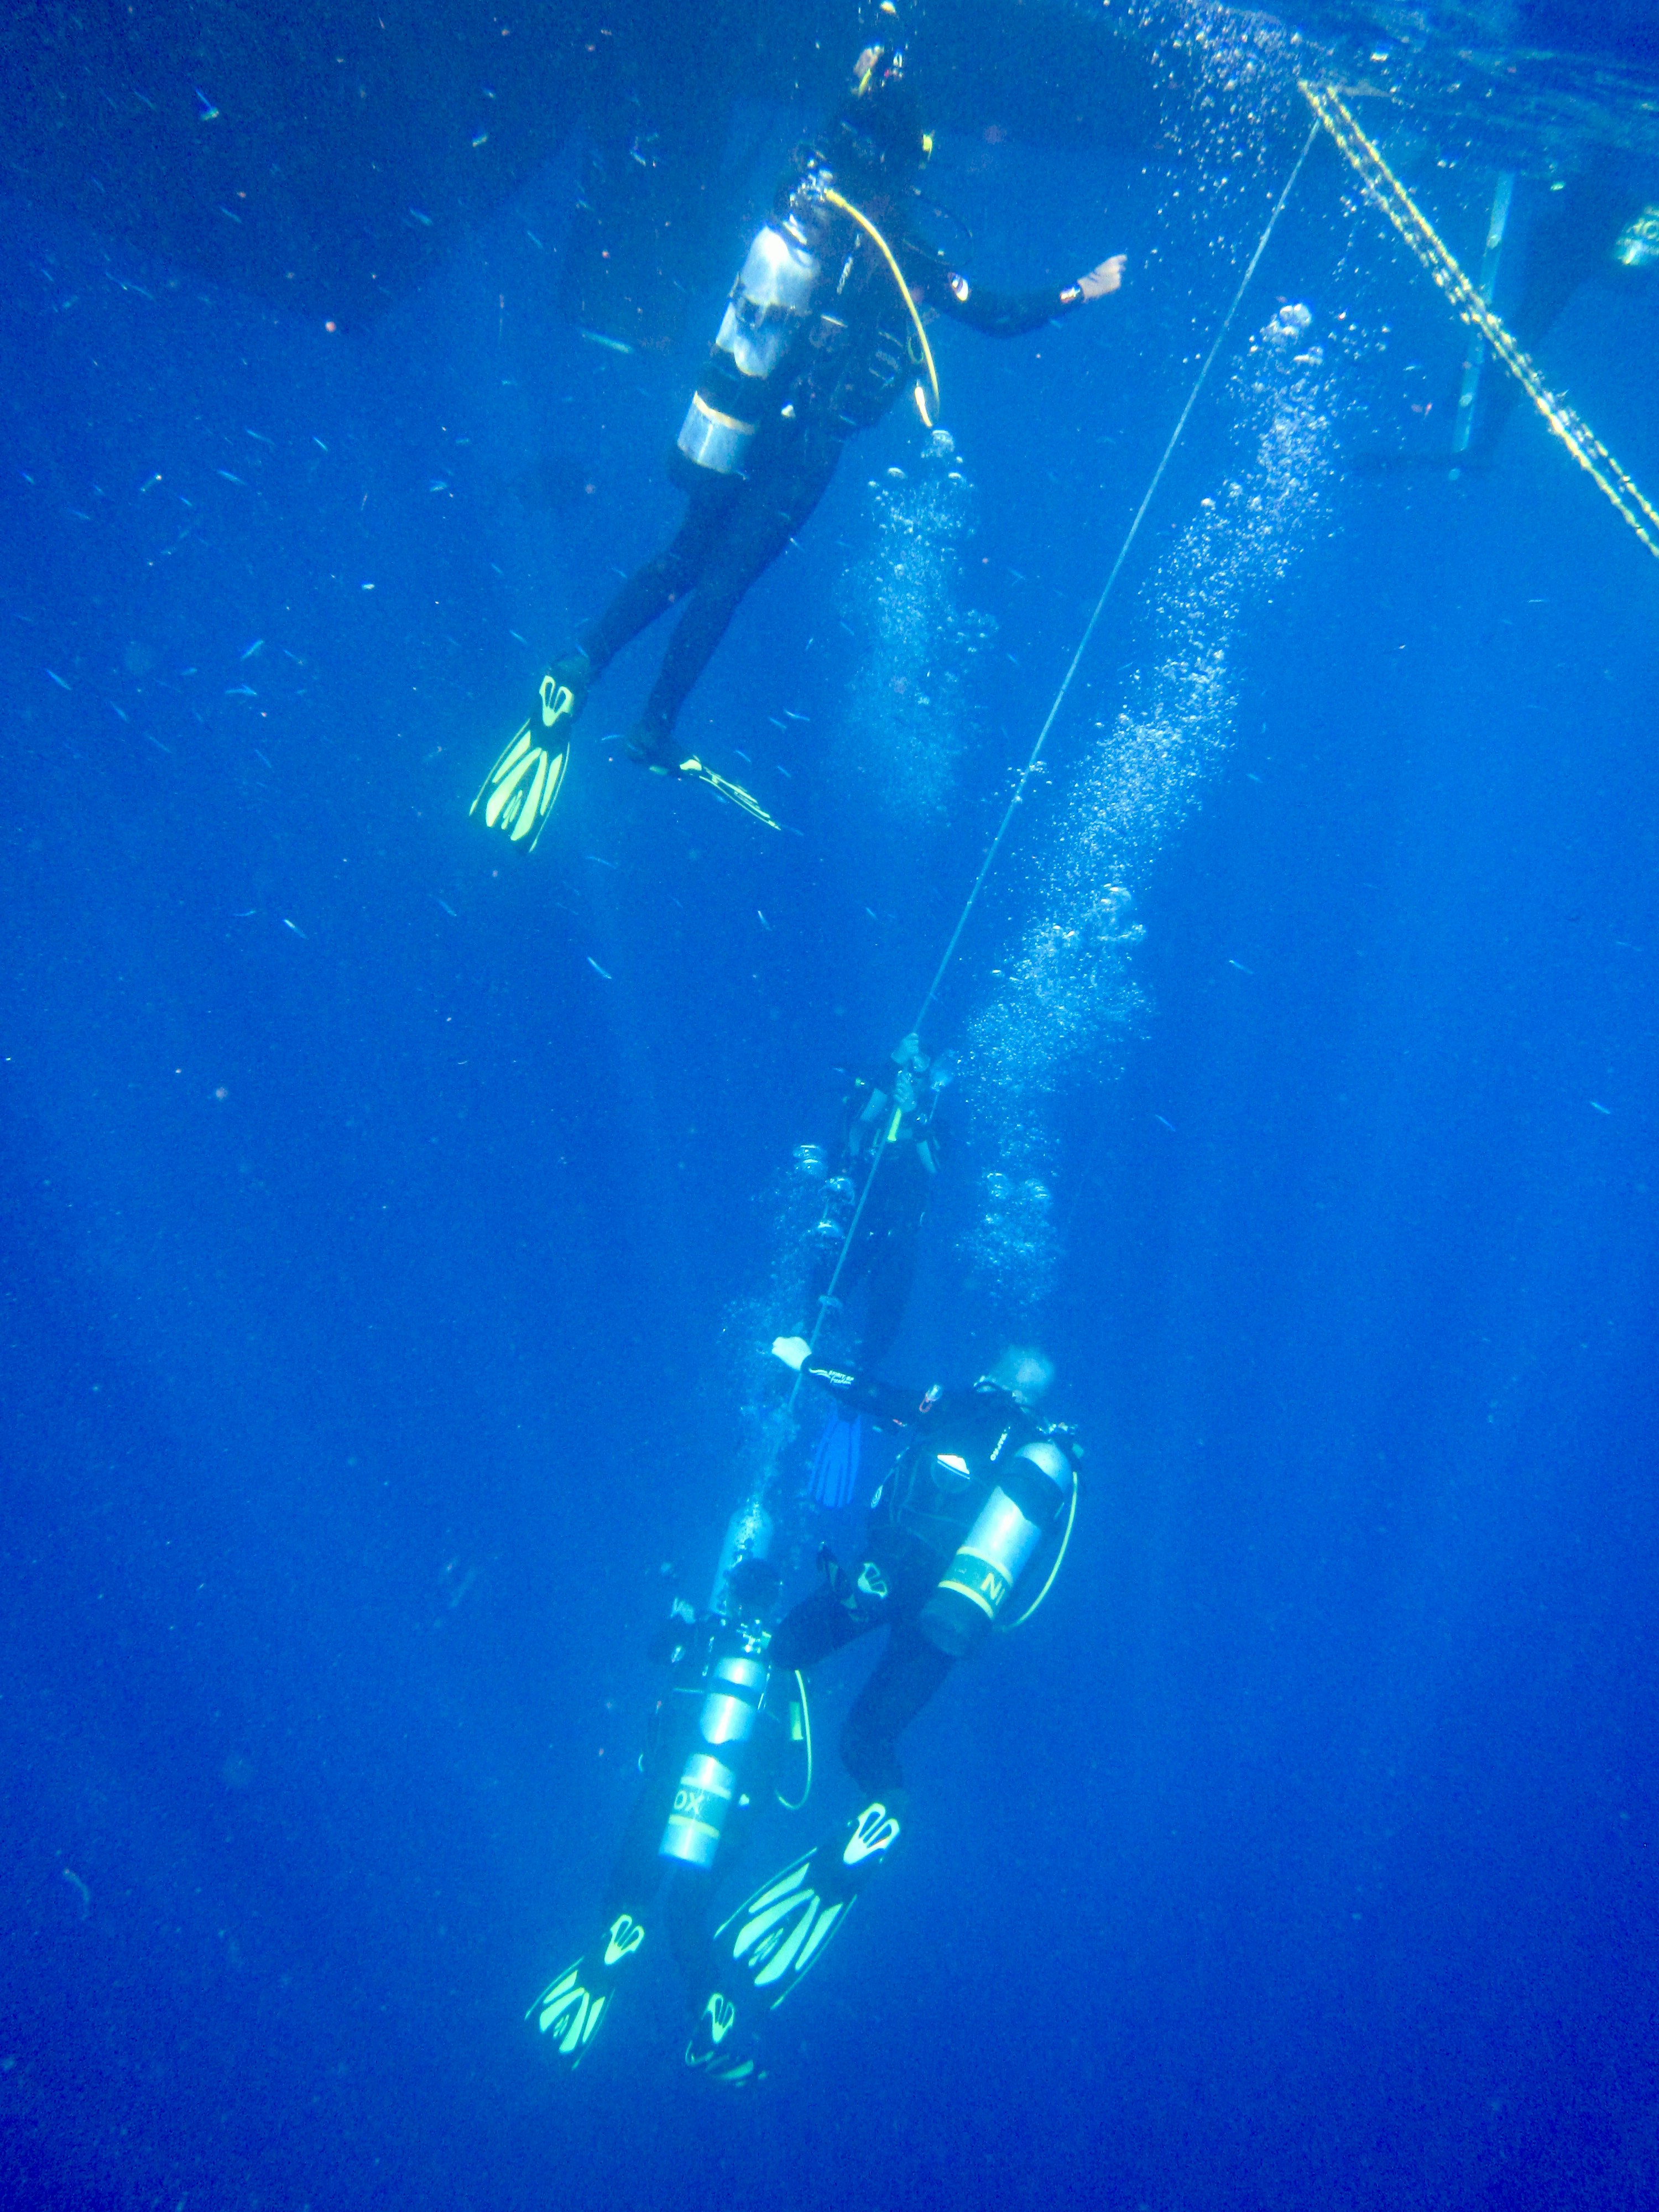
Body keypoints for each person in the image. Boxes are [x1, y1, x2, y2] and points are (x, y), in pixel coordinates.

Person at [477, 12, 1125, 842]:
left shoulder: (805, 208)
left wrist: (872, 70)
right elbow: (996, 315)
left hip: (739, 418)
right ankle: (653, 727)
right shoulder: (902, 251)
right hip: (804, 451)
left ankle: (582, 662)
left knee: (682, 559)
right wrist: (1081, 291)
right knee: (725, 583)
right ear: (906, 166)